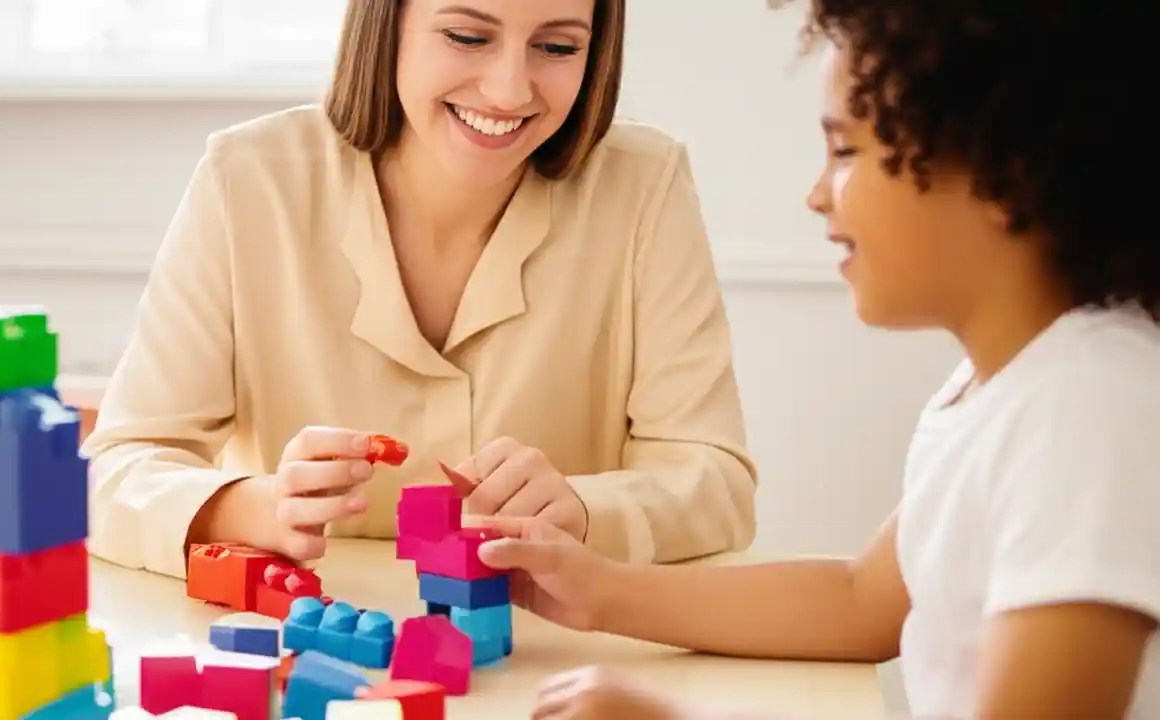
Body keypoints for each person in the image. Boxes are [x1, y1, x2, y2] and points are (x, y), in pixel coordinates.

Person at [475, 1, 1160, 718]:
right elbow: (862, 602)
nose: (816, 194)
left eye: (846, 152)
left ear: (1002, 174)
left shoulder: (1085, 411)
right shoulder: (1008, 389)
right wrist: (599, 589)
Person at [83, 0, 758, 580]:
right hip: (309, 646)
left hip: (556, 652)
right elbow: (113, 474)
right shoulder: (249, 179)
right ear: (387, 24)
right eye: (467, 36)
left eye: (557, 47)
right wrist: (253, 506)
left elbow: (717, 484)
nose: (508, 91)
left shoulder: (643, 184)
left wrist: (583, 512)